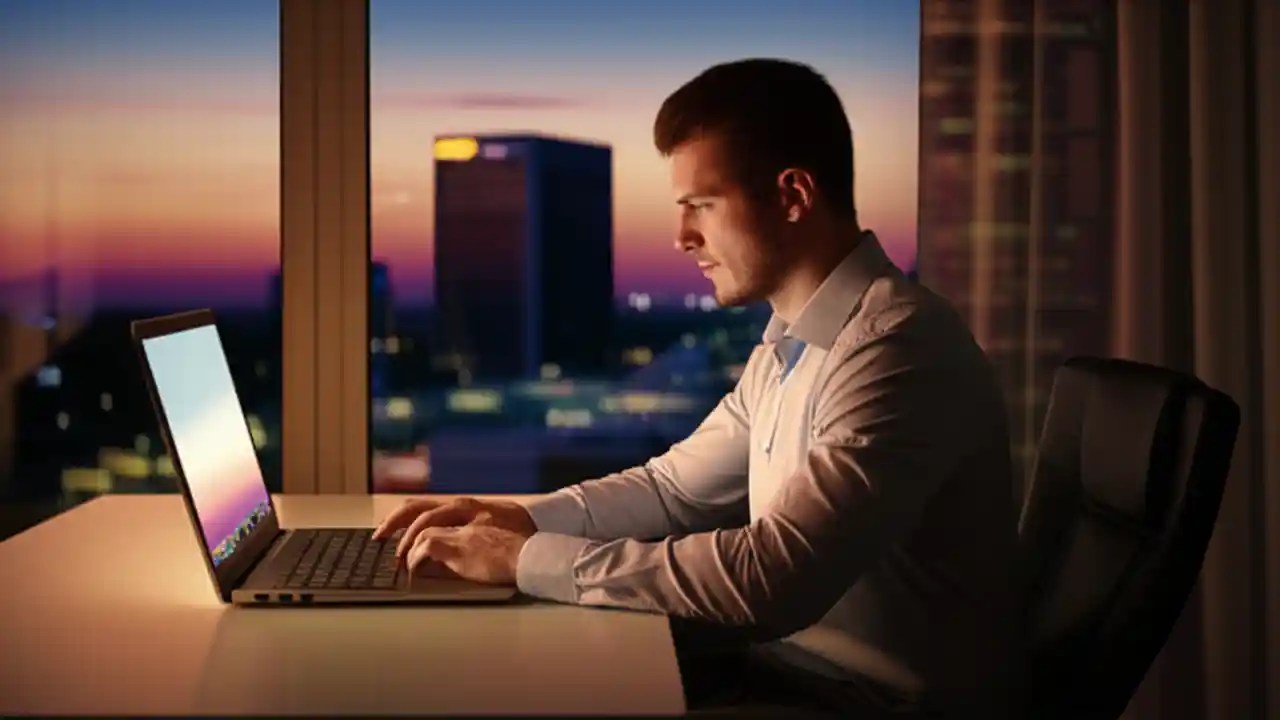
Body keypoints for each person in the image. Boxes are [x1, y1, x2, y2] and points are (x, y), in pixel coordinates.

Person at [373, 58, 1021, 718]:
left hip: (862, 700)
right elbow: (673, 488)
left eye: (701, 207)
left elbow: (770, 579)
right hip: (785, 669)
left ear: (794, 195)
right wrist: (521, 519)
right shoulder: (793, 342)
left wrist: (526, 560)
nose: (683, 238)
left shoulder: (895, 348)